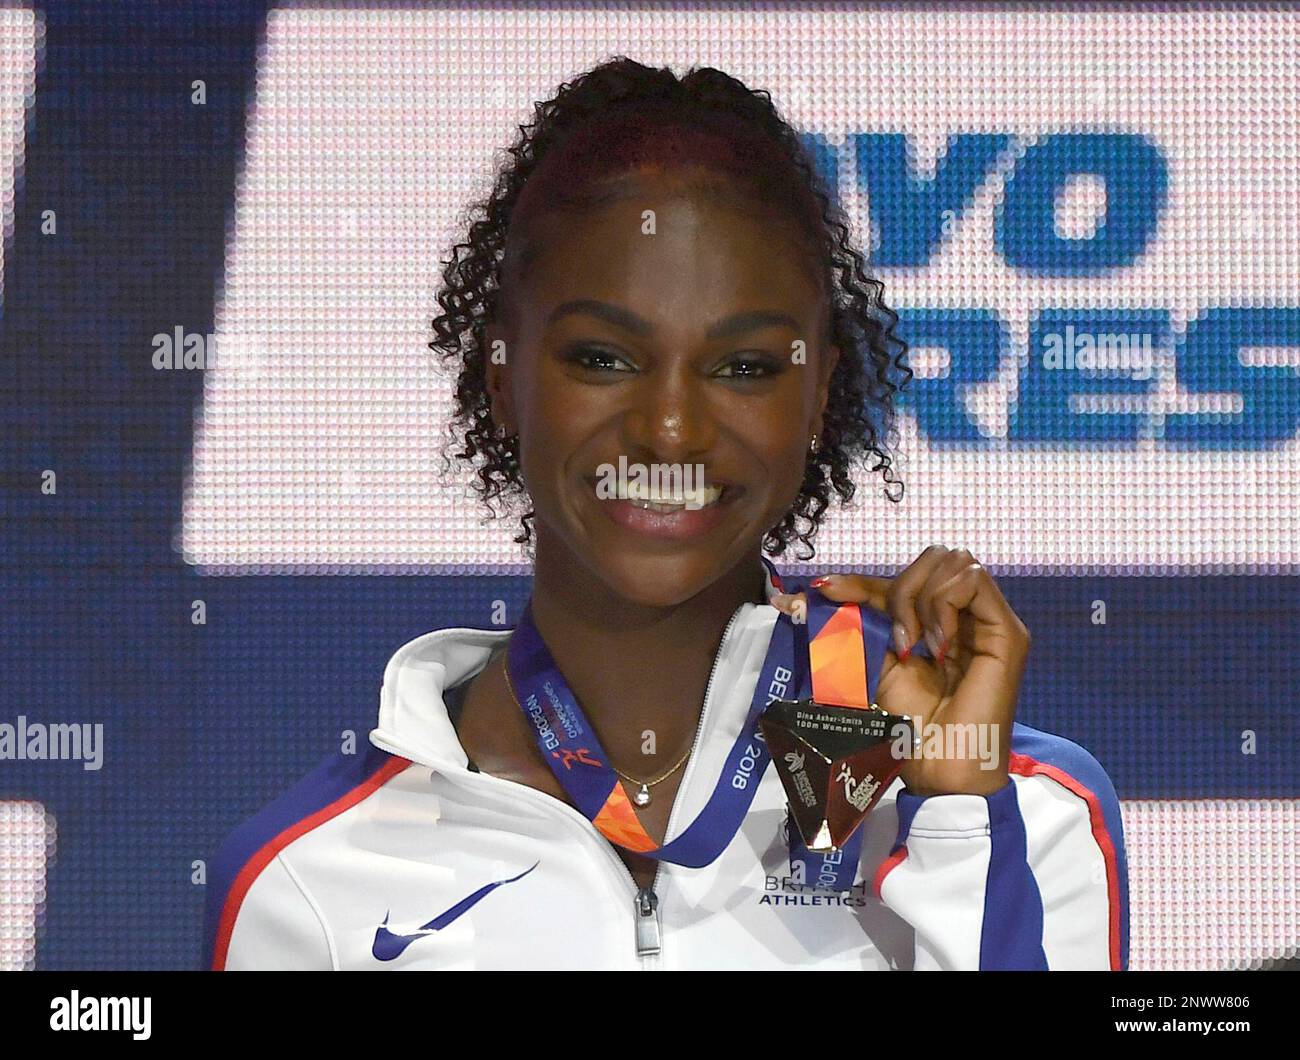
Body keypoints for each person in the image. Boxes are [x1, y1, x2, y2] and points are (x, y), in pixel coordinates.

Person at [204, 58, 1128, 971]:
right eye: (603, 358)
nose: (671, 429)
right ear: (502, 377)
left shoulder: (1022, 809)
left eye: (745, 367)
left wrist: (961, 819)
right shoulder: (310, 877)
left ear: (818, 398)